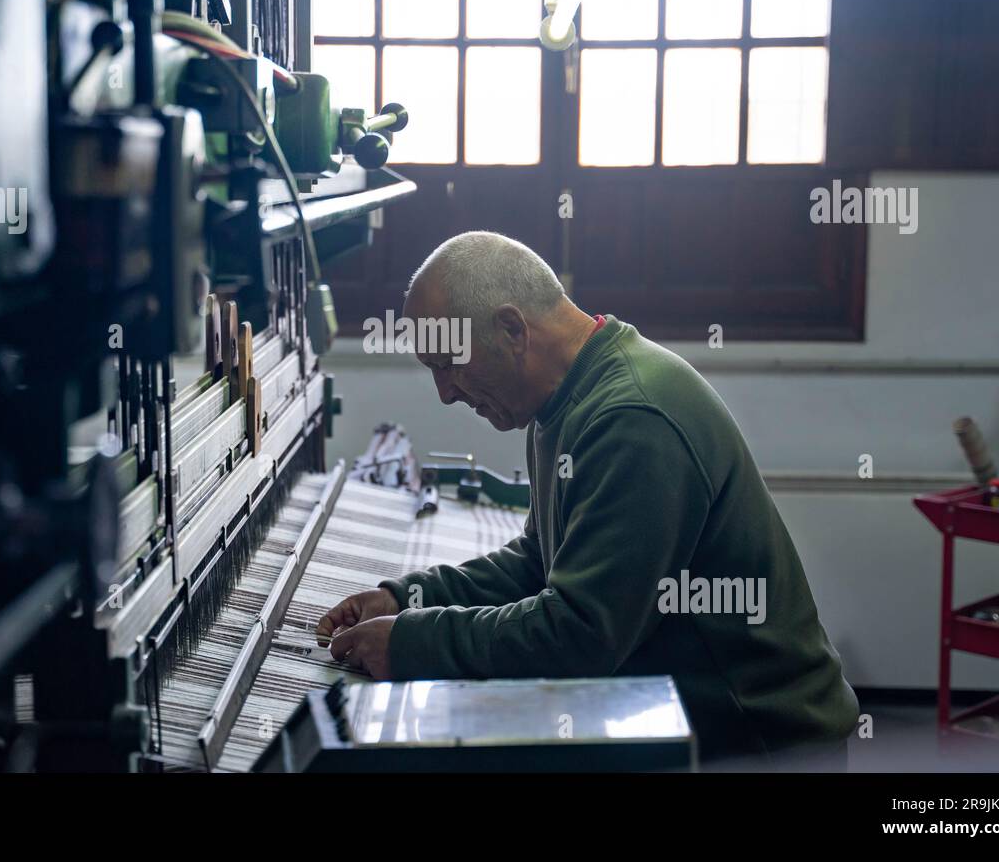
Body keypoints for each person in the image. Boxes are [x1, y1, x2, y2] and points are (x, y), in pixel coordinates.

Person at [316, 231, 859, 760]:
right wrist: (410, 597)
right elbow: (540, 562)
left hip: (762, 743)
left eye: (449, 364)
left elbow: (580, 634)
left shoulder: (631, 418)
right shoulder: (560, 405)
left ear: (511, 328)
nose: (445, 392)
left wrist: (416, 643)